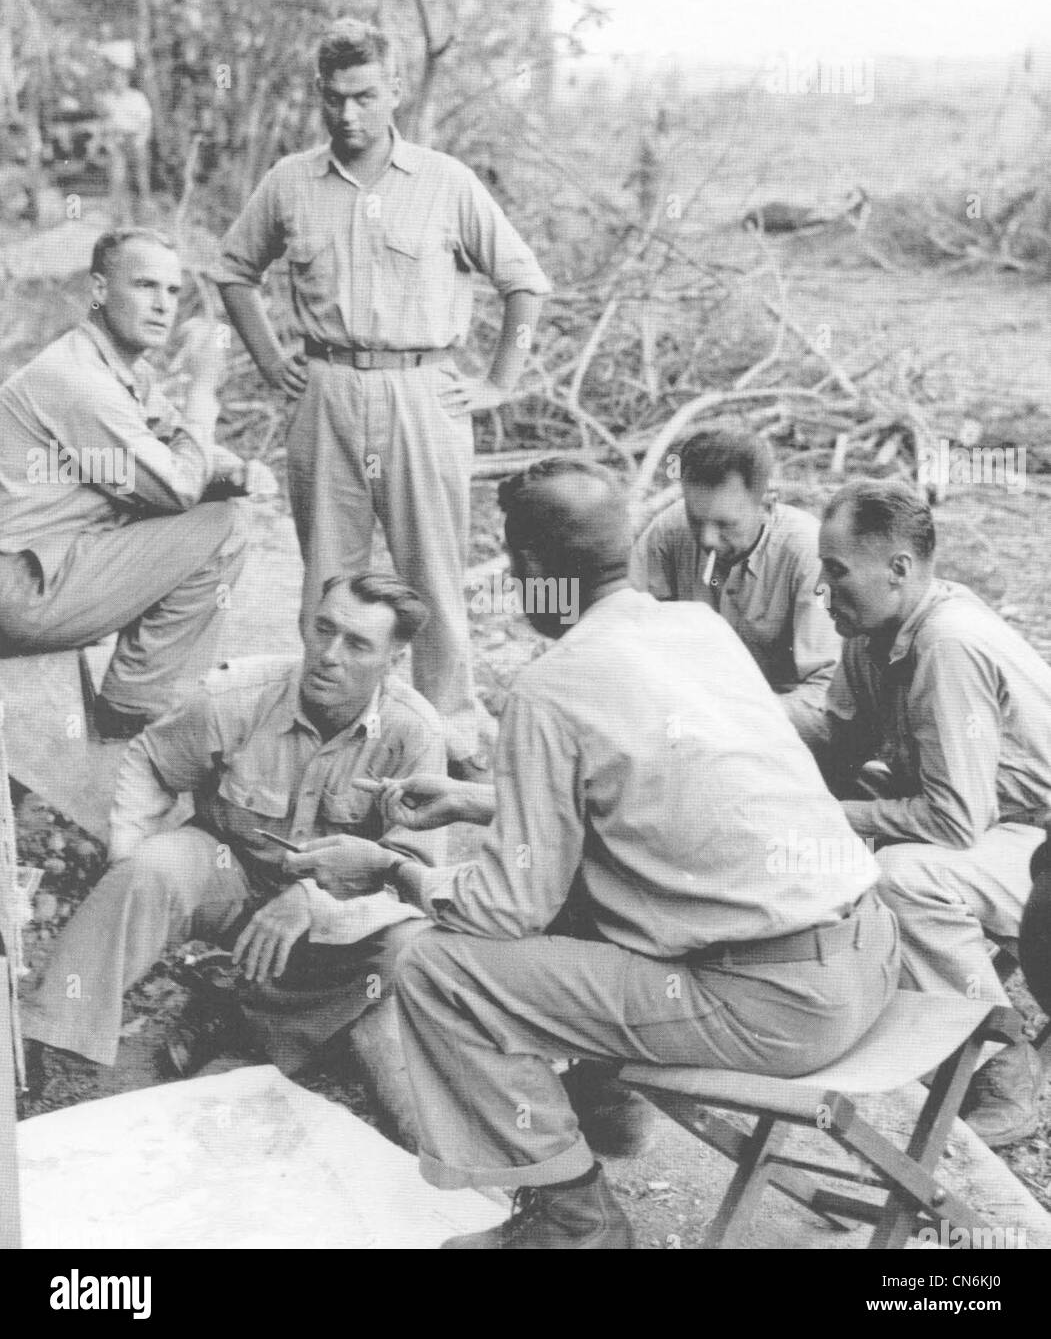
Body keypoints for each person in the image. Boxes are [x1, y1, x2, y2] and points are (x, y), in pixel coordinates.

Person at [282, 458, 901, 1249]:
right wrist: (484, 801)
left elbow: (507, 908)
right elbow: (668, 806)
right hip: (866, 954)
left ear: (533, 571)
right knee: (591, 892)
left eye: (514, 566)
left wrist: (399, 871)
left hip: (777, 1009)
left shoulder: (552, 686)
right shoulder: (696, 627)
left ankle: (574, 1221)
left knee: (437, 971)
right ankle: (602, 1105)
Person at [213, 18, 551, 780]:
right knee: (327, 575)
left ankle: (448, 738)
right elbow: (234, 271)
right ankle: (328, 727)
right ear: (318, 97)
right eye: (334, 98)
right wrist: (271, 360)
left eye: (365, 96)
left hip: (421, 392)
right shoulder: (291, 182)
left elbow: (524, 282)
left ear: (393, 90)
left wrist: (498, 381)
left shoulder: (444, 181)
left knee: (430, 573)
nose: (348, 115)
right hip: (325, 390)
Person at [20, 573, 445, 1141]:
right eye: (323, 629)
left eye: (357, 644)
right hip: (230, 869)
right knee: (151, 871)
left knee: (408, 948)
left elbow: (409, 878)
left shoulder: (412, 734)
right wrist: (129, 849)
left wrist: (312, 902)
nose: (328, 655)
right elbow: (152, 758)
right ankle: (48, 1039)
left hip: (333, 913)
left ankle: (245, 1018)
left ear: (394, 659)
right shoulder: (237, 695)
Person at [816, 478, 1051, 1146]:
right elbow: (838, 742)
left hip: (1039, 847)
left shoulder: (945, 642)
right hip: (1001, 827)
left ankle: (999, 1059)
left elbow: (951, 822)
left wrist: (836, 817)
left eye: (836, 571)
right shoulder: (869, 632)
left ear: (897, 571)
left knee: (903, 875)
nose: (823, 590)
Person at [0, 228, 248, 739]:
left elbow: (170, 443)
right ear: (98, 291)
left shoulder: (110, 367)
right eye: (145, 286)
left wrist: (233, 469)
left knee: (213, 510)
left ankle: (135, 701)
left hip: (38, 571)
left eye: (174, 292)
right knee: (220, 526)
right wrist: (204, 390)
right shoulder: (82, 383)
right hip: (21, 588)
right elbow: (176, 485)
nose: (163, 306)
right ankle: (134, 711)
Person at [631, 428, 839, 745]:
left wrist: (726, 721)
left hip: (779, 735)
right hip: (687, 722)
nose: (707, 539)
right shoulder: (670, 530)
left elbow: (827, 699)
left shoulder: (808, 554)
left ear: (767, 505)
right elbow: (628, 629)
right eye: (696, 520)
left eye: (725, 525)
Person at [97, 62, 153, 224]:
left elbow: (146, 121)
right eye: (114, 80)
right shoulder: (108, 99)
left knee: (140, 179)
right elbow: (105, 122)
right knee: (117, 178)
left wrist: (141, 140)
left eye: (120, 79)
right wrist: (109, 142)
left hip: (135, 140)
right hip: (117, 141)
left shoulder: (137, 97)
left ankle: (143, 217)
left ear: (126, 80)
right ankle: (118, 218)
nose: (117, 83)